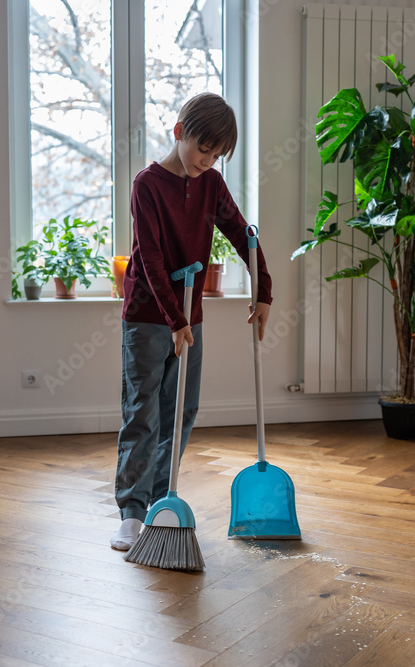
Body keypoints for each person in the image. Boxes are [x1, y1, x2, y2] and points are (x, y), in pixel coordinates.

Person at [111, 93, 273, 550]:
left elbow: (244, 234)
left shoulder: (212, 186)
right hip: (147, 316)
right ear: (180, 132)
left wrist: (264, 290)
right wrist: (174, 319)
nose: (208, 161)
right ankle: (131, 511)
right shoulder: (148, 185)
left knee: (181, 412)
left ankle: (164, 499)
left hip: (189, 317)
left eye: (217, 155)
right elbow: (155, 260)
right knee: (141, 412)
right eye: (204, 149)